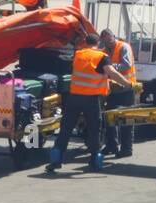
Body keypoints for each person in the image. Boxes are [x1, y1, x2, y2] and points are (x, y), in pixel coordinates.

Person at [47, 33, 131, 173]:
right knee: (94, 130)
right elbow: (112, 73)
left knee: (65, 130)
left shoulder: (78, 54)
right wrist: (127, 84)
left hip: (74, 98)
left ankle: (55, 160)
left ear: (85, 42)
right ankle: (95, 161)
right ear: (98, 43)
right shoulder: (101, 57)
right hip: (91, 99)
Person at [100, 28, 136, 158]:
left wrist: (109, 67)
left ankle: (127, 149)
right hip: (112, 90)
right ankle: (111, 145)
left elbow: (126, 65)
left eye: (109, 40)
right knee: (110, 118)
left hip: (126, 89)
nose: (107, 43)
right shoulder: (103, 51)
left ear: (113, 37)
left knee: (126, 119)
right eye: (104, 41)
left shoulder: (123, 47)